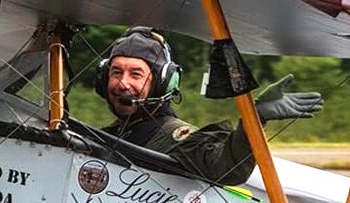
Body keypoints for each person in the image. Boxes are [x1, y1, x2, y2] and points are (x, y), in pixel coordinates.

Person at [96, 26, 322, 185]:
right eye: (116, 72)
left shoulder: (175, 138)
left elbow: (225, 167)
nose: (123, 83)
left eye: (136, 74)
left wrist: (255, 119)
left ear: (163, 83)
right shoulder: (103, 136)